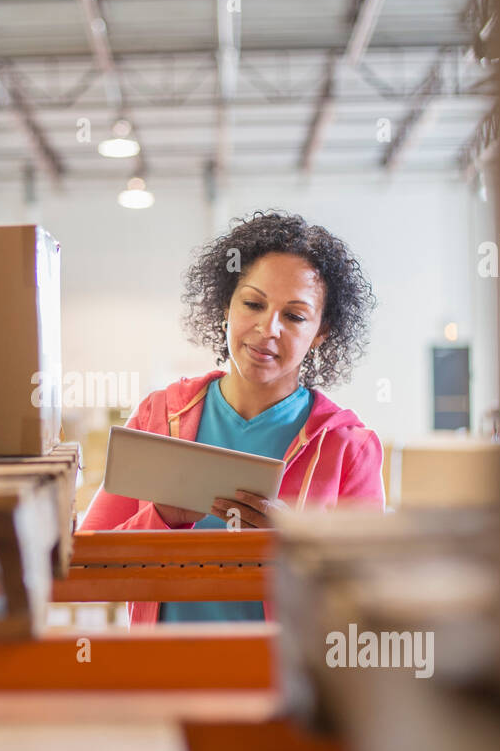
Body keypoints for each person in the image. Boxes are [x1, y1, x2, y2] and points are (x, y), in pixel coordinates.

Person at [78, 210, 384, 625]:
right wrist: (162, 518)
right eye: (253, 303)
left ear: (322, 330)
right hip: (163, 678)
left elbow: (369, 599)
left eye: (294, 316)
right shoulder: (160, 415)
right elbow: (88, 569)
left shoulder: (347, 446)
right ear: (227, 305)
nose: (267, 328)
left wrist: (294, 546)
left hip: (282, 684)